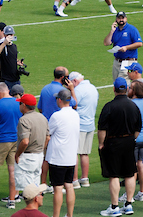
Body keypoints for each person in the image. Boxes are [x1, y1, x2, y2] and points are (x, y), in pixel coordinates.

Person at [97, 78, 142, 216]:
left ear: (114, 89)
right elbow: (137, 128)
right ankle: (128, 204)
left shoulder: (109, 106)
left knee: (114, 174)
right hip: (129, 141)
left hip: (113, 143)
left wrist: (101, 143)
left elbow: (102, 129)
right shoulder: (133, 106)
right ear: (127, 89)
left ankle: (115, 206)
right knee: (129, 173)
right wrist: (131, 139)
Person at [46, 89, 78, 217]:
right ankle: (69, 215)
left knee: (58, 188)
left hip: (57, 157)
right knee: (69, 185)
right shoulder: (75, 114)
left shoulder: (56, 116)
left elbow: (48, 134)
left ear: (60, 100)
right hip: (70, 156)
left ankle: (56, 215)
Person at [0, 83, 22, 207]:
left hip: (1, 140)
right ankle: (12, 200)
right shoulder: (18, 102)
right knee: (12, 170)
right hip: (16, 140)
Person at [15, 94, 48, 194]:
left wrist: (17, 154)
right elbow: (48, 137)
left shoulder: (24, 120)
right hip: (39, 156)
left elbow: (25, 141)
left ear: (24, 105)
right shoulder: (42, 117)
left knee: (28, 191)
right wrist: (41, 149)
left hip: (27, 157)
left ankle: (30, 209)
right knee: (35, 188)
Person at [106, 13, 143, 81]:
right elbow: (106, 43)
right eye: (119, 18)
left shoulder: (132, 29)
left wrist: (126, 47)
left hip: (128, 61)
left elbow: (139, 43)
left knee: (123, 84)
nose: (121, 20)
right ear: (116, 20)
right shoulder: (115, 31)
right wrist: (111, 31)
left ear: (126, 19)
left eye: (122, 18)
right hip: (117, 61)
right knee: (117, 84)